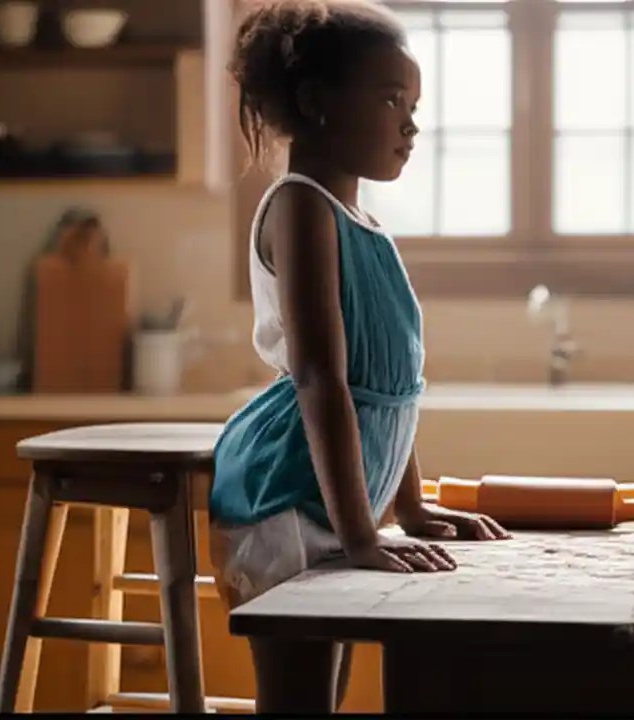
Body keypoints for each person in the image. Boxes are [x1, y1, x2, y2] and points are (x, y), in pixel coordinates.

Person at [206, 0, 510, 712]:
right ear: (317, 101)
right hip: (287, 500)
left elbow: (389, 391)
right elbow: (322, 378)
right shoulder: (300, 206)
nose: (411, 125)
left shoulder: (363, 224)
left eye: (414, 106)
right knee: (300, 702)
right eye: (391, 99)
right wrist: (362, 534)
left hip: (337, 506)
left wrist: (411, 506)